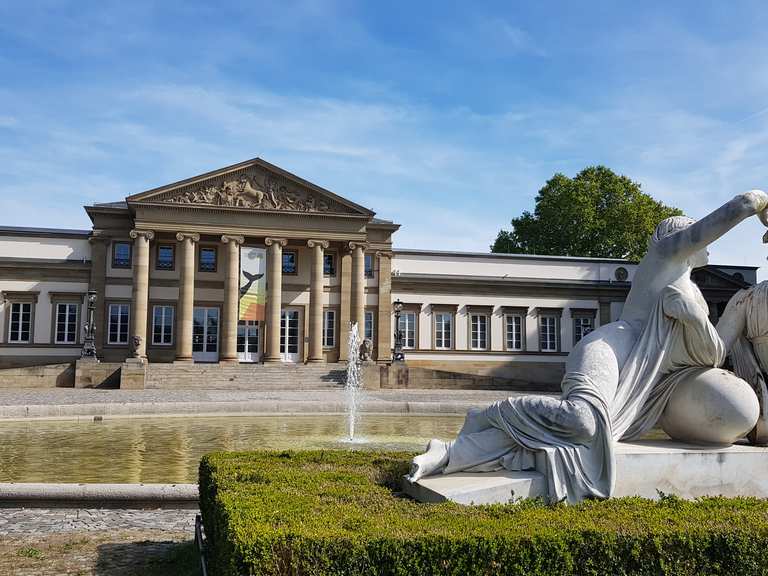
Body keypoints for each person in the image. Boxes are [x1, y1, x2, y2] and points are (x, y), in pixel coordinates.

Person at [408, 191, 768, 503]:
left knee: (588, 432)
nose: (705, 241)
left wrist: (692, 318)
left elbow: (712, 356)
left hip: (656, 379)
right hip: (611, 350)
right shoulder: (662, 260)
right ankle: (491, 414)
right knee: (582, 423)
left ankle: (454, 453)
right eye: (695, 234)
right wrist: (756, 201)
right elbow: (733, 210)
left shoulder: (694, 295)